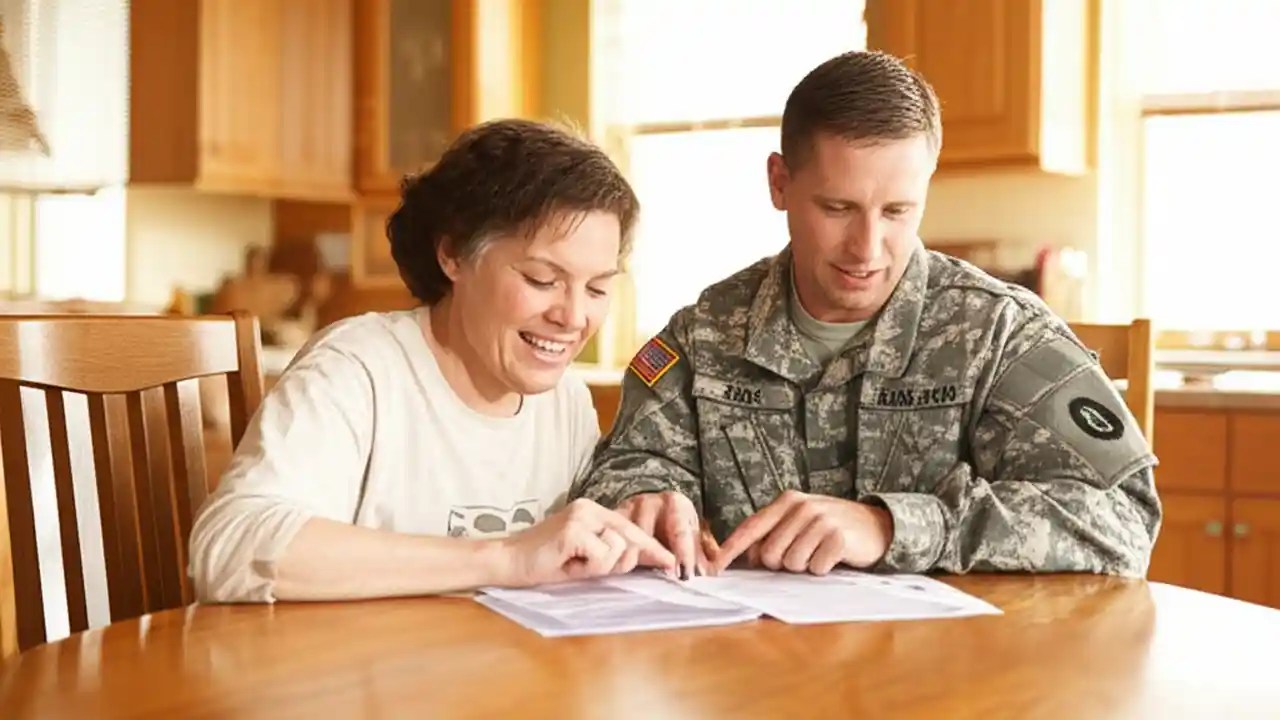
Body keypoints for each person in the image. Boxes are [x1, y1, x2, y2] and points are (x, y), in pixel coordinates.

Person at [571, 51, 1161, 580]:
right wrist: (646, 494)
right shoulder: (703, 336)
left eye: (899, 211)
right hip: (751, 676)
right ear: (779, 183)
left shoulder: (998, 334)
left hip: (955, 680)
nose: (867, 247)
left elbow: (1123, 520)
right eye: (838, 208)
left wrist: (893, 526)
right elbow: (624, 468)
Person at [190, 119, 675, 603]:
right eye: (542, 280)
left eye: (596, 288)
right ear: (454, 255)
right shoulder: (358, 370)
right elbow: (230, 547)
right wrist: (504, 558)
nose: (573, 316)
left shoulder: (566, 402)